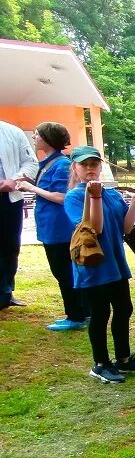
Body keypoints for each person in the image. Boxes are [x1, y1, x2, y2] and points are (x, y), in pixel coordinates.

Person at [63, 146, 135, 384]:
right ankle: (100, 364)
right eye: (85, 165)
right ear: (75, 168)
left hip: (115, 264)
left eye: (94, 164)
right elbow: (96, 228)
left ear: (101, 166)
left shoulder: (112, 194)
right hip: (93, 266)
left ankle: (124, 358)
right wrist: (94, 196)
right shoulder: (74, 197)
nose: (90, 168)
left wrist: (133, 201)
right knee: (100, 314)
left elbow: (126, 228)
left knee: (124, 310)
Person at [14, 122, 88, 330]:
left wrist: (32, 188)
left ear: (47, 138)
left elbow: (63, 196)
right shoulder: (49, 163)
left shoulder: (61, 165)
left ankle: (76, 316)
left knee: (64, 272)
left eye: (37, 135)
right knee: (67, 272)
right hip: (52, 227)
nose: (34, 138)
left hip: (60, 229)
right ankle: (83, 312)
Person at [0, 120, 39, 311]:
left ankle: (6, 291)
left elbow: (31, 163)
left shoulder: (12, 132)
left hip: (8, 198)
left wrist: (14, 180)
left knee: (10, 246)